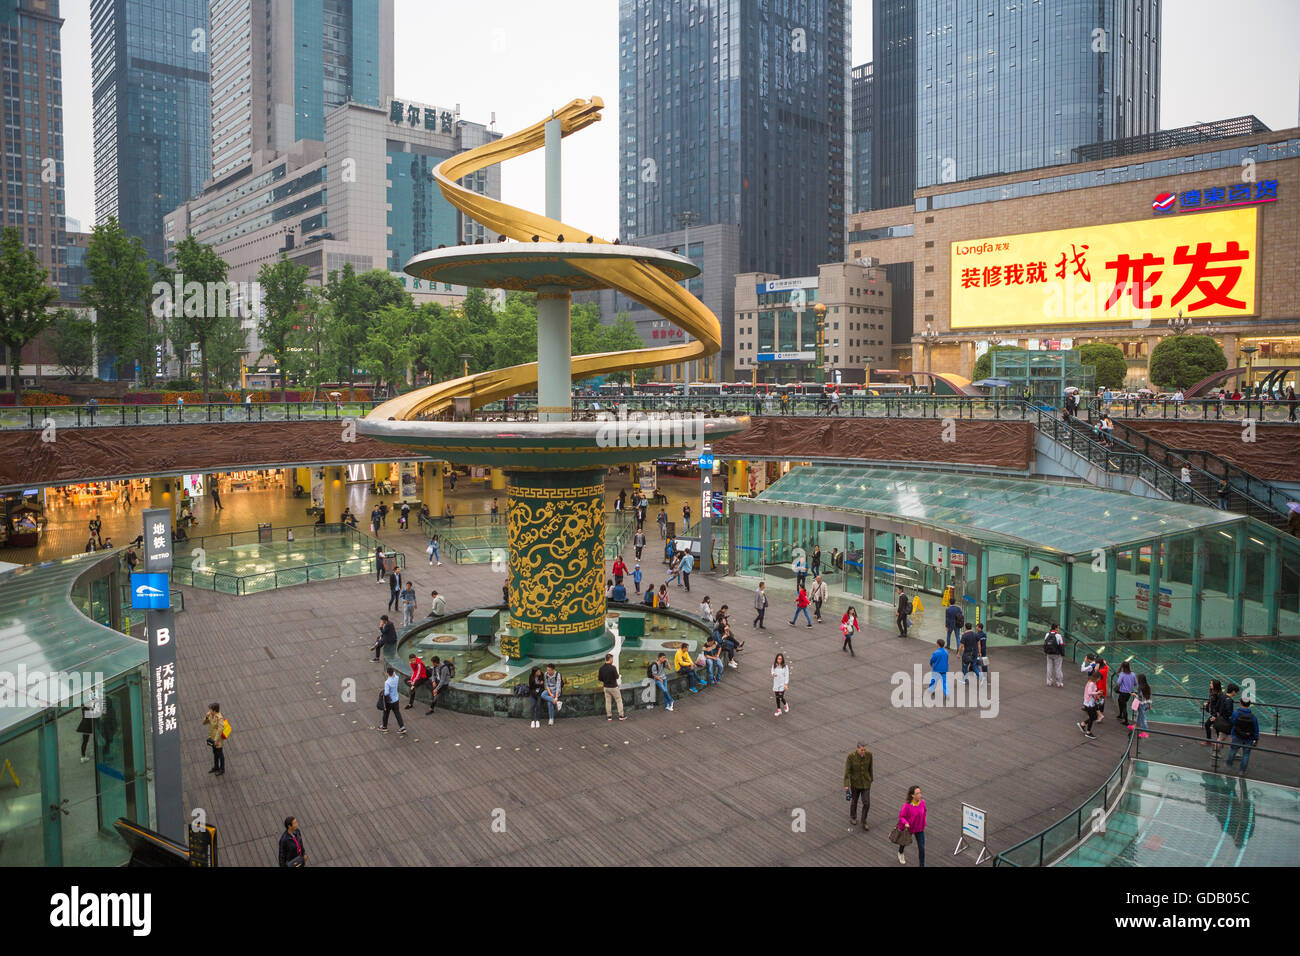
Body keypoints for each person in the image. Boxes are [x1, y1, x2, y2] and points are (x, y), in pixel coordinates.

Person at [843, 742, 874, 831]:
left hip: (866, 783)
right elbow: (847, 771)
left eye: (865, 750)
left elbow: (870, 768)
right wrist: (846, 784)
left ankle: (864, 821)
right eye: (862, 750)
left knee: (867, 803)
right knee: (854, 800)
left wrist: (871, 779)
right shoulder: (851, 757)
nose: (863, 752)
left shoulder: (869, 755)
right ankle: (853, 817)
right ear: (857, 749)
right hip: (855, 783)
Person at [1225, 697, 1259, 775]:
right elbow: (1256, 729)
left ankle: (1228, 765)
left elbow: (1232, 722)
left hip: (1237, 736)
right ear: (1249, 705)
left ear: (1240, 703)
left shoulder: (1236, 713)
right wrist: (1256, 739)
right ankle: (1242, 771)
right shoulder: (1253, 716)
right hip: (1249, 738)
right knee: (1246, 755)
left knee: (1233, 751)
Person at [896, 786, 927, 866]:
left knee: (922, 848)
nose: (920, 795)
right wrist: (906, 823)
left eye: (920, 792)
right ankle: (900, 852)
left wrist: (923, 822)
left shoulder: (922, 802)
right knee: (904, 842)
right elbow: (901, 817)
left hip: (919, 828)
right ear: (913, 795)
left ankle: (922, 865)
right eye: (917, 793)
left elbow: (925, 811)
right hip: (909, 828)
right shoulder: (907, 806)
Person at [597, 653, 626, 721]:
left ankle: (609, 716)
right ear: (610, 659)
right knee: (618, 700)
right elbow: (617, 676)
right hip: (613, 687)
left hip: (606, 687)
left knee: (608, 701)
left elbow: (600, 678)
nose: (612, 660)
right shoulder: (613, 668)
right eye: (612, 659)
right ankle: (621, 715)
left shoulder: (601, 668)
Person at [379, 666, 407, 735]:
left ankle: (384, 726)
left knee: (386, 714)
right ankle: (402, 727)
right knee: (397, 713)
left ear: (387, 673)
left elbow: (387, 693)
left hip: (389, 701)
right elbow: (394, 673)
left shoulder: (387, 682)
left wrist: (383, 691)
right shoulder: (396, 678)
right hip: (396, 699)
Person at [202, 703, 226, 775]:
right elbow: (204, 723)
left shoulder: (219, 718)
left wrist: (216, 740)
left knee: (220, 754)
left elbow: (220, 730)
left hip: (217, 739)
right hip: (212, 737)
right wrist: (206, 717)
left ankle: (222, 769)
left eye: (210, 709)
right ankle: (216, 767)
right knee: (215, 753)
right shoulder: (211, 715)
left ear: (214, 710)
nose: (209, 710)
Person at [1077, 672, 1101, 740]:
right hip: (1089, 703)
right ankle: (1088, 732)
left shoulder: (1091, 682)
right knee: (1092, 717)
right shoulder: (1091, 684)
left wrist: (1097, 694)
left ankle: (1083, 724)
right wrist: (1097, 693)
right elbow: (1090, 692)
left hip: (1090, 702)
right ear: (1096, 678)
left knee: (1094, 717)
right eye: (1099, 678)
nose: (1099, 679)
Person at [1114, 661, 1138, 727]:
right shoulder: (1133, 674)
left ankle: (1126, 721)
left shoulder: (1122, 674)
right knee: (1120, 701)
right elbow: (1135, 683)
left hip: (1123, 692)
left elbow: (1118, 682)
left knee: (1124, 706)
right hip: (1129, 693)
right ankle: (1120, 715)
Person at [1132, 674, 1153, 738]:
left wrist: (1135, 695)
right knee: (1140, 715)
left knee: (1143, 718)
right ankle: (1137, 725)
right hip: (1147, 704)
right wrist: (1150, 704)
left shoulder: (1140, 687)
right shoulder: (1148, 686)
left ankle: (1146, 732)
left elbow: (1141, 698)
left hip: (1142, 704)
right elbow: (1150, 696)